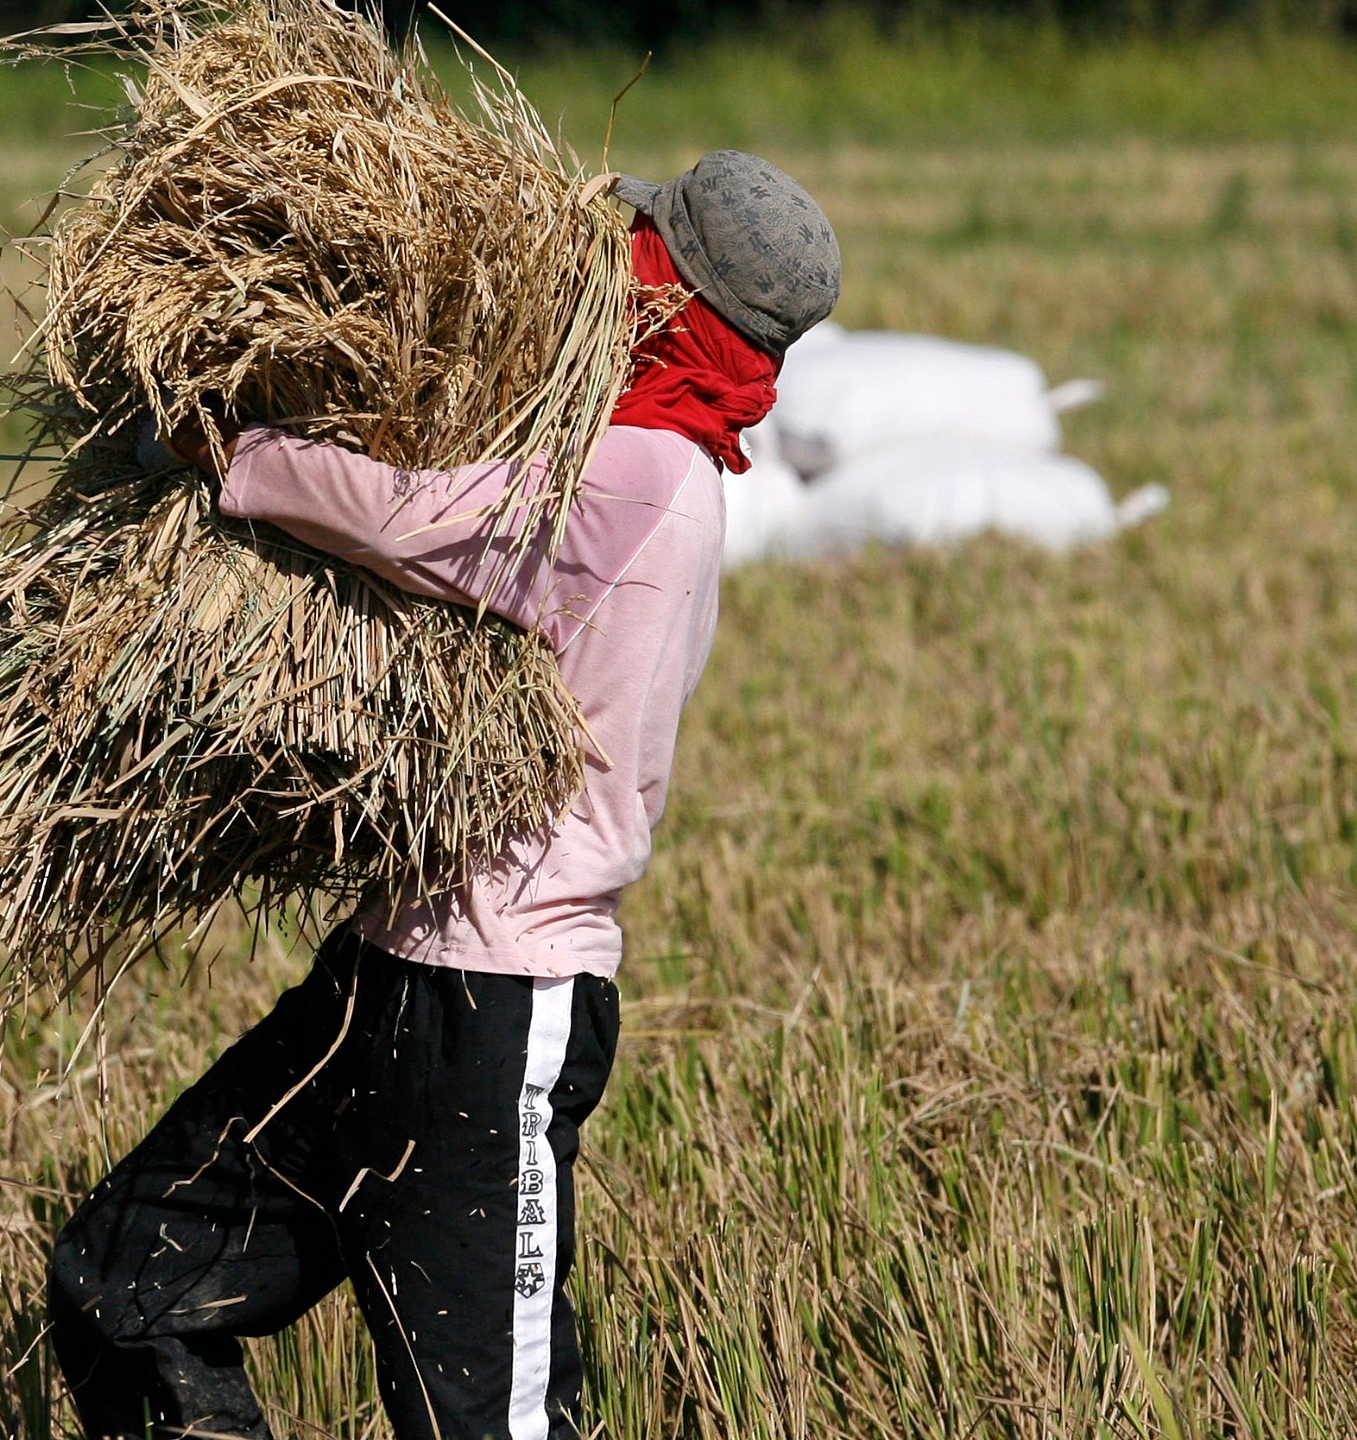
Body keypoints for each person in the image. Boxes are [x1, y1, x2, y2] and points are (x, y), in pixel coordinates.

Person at [47, 151, 841, 1440]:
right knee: (126, 1291)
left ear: (660, 292)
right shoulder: (635, 454)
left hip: (498, 1022)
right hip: (384, 988)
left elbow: (417, 519)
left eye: (629, 249)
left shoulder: (647, 474)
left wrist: (232, 453)